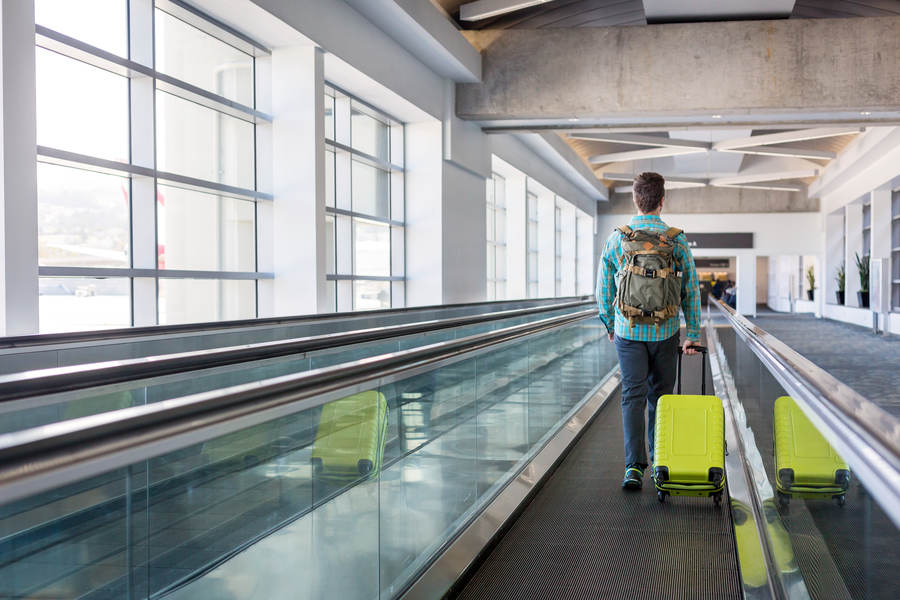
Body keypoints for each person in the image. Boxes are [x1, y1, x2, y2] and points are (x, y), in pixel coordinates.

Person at [597, 172, 702, 490]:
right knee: (661, 396)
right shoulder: (676, 239)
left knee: (632, 395)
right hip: (666, 331)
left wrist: (610, 324)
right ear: (662, 200)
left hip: (628, 332)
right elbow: (691, 289)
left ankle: (633, 467)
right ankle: (660, 462)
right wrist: (692, 333)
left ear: (635, 199)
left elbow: (604, 289)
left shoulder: (618, 238)